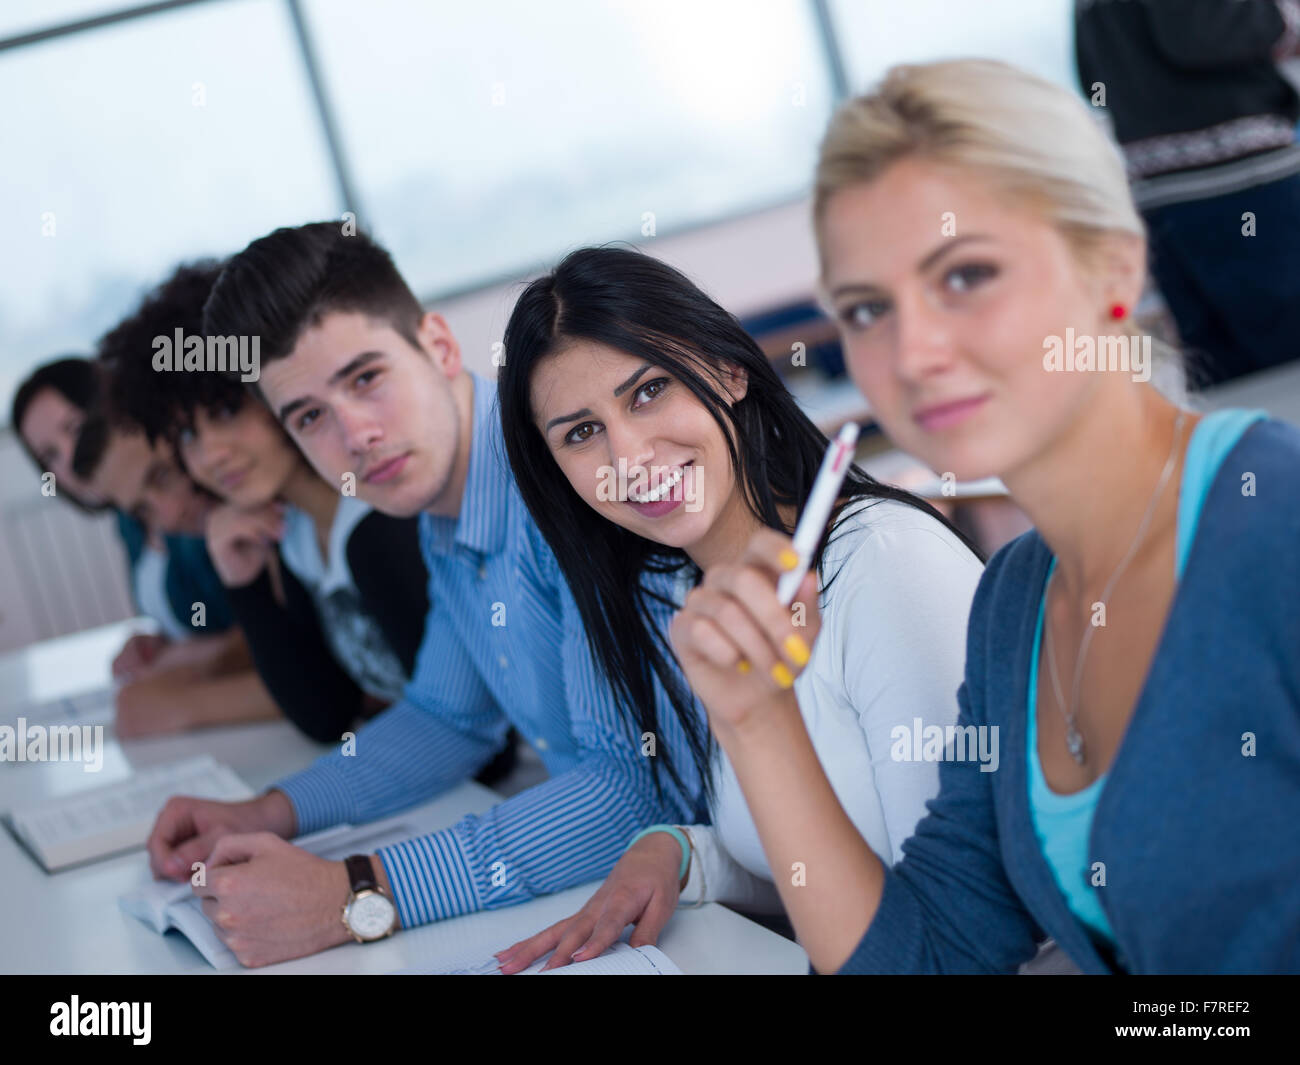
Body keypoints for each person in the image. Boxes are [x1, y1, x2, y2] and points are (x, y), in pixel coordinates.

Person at [669, 58, 1300, 975]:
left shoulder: (1273, 528)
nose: (913, 351)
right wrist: (758, 718)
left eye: (965, 274)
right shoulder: (1015, 601)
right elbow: (928, 955)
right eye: (867, 307)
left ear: (1112, 269)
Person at [142, 222, 708, 968]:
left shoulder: (567, 476)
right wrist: (268, 811)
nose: (355, 435)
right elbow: (448, 717)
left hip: (730, 908)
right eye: (310, 416)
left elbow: (633, 788)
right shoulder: (446, 506)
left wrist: (356, 893)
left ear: (438, 347)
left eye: (365, 378)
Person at [487, 246, 984, 972]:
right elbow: (815, 864)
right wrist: (682, 851)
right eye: (582, 432)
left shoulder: (883, 564)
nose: (627, 454)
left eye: (649, 390)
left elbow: (956, 927)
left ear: (729, 369)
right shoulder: (698, 601)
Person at [11, 356, 267, 736]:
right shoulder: (130, 519)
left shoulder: (197, 502)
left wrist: (190, 662)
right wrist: (159, 642)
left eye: (75, 428)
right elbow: (201, 621)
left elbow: (270, 627)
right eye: (49, 454)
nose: (68, 457)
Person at [1077, 0, 1300, 386]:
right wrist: (1284, 18)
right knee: (1282, 351)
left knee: (1224, 373)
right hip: (1241, 180)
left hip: (1163, 194)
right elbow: (1201, 32)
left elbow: (1091, 78)